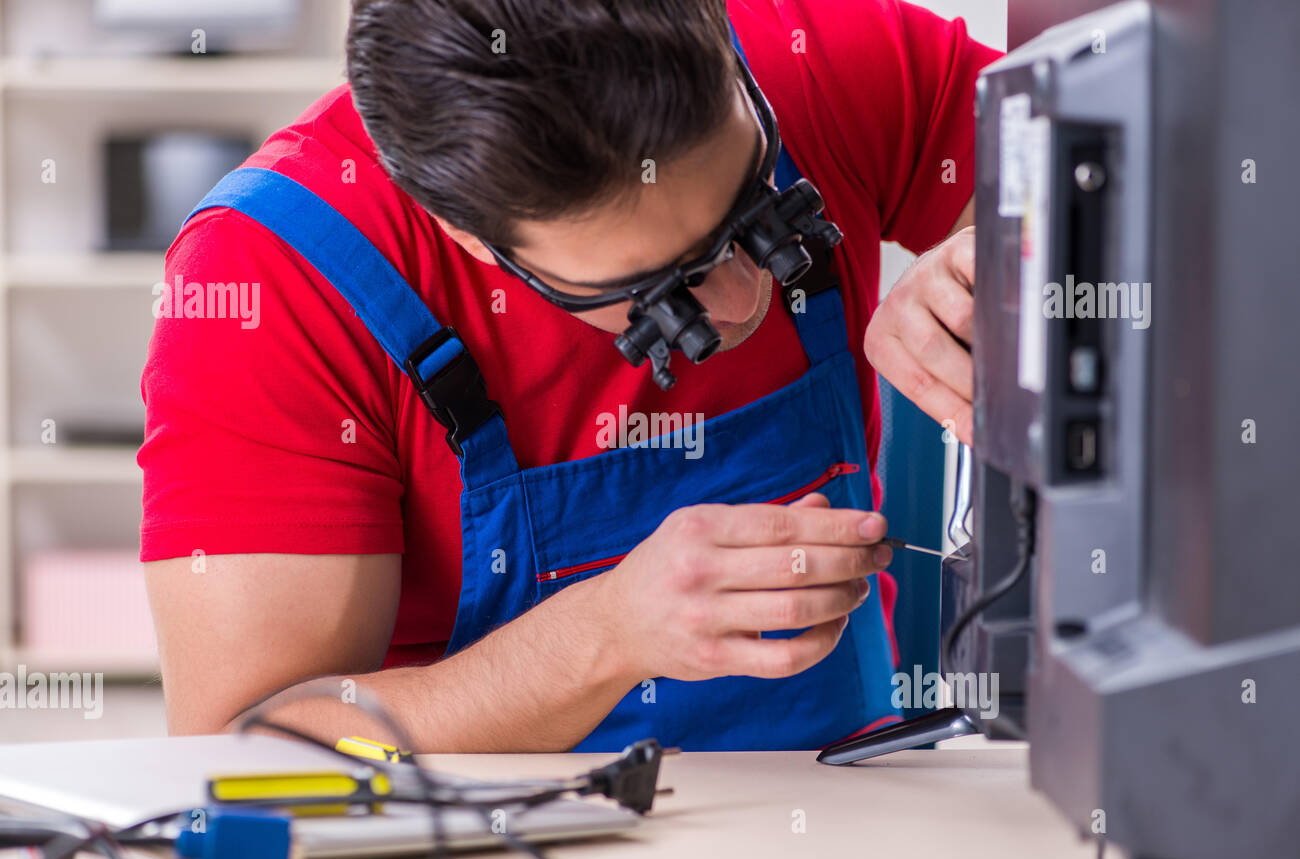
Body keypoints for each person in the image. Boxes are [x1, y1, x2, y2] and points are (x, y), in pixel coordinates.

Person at [140, 0, 998, 751]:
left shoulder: (815, 52)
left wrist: (998, 262)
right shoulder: (274, 283)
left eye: (758, 213)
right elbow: (246, 749)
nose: (745, 299)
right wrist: (605, 634)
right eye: (661, 293)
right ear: (469, 235)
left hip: (856, 816)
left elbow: (1113, 201)